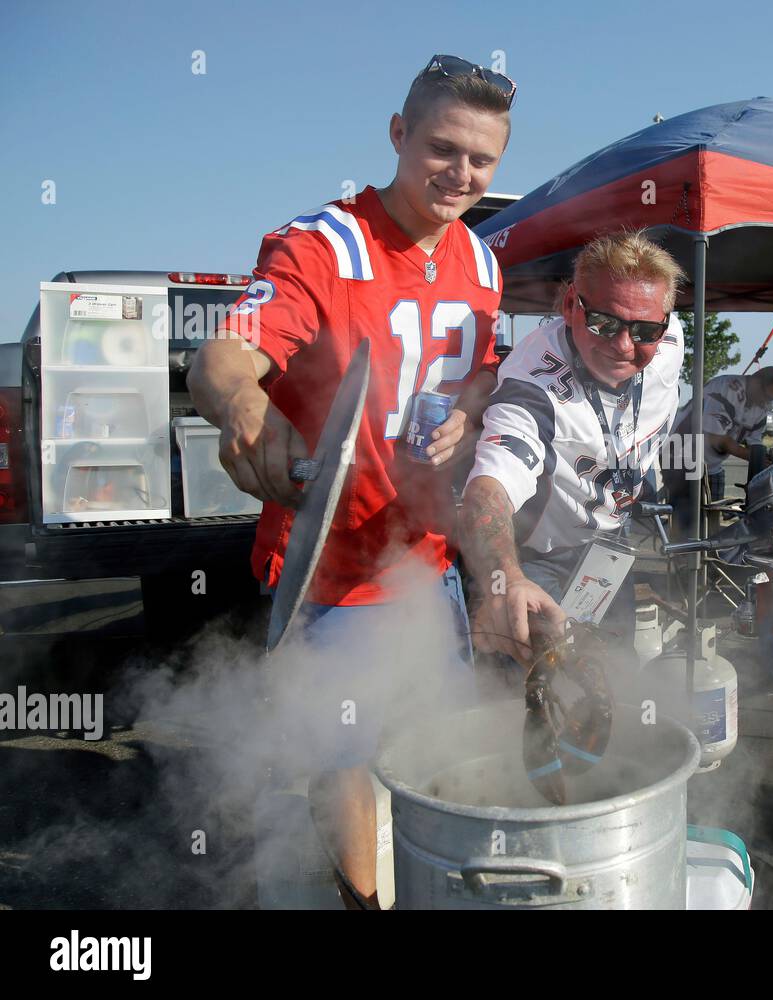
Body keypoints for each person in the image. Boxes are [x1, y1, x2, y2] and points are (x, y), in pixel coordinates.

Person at [188, 54, 515, 907]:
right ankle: (359, 901)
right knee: (349, 760)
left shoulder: (483, 262)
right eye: (443, 148)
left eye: (481, 160)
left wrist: (467, 415)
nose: (461, 174)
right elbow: (222, 356)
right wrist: (243, 407)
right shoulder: (322, 245)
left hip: (427, 564)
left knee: (431, 751)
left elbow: (477, 377)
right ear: (398, 135)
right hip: (328, 574)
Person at [460, 231, 686, 665]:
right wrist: (505, 578)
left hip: (609, 544)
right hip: (536, 558)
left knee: (612, 667)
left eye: (644, 330)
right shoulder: (530, 385)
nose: (623, 346)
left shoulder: (668, 336)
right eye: (603, 322)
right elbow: (487, 492)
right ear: (569, 306)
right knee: (528, 688)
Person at [667, 367, 773, 506]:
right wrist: (755, 457)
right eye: (767, 396)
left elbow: (755, 443)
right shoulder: (726, 388)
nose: (768, 402)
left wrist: (767, 460)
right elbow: (716, 439)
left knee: (713, 517)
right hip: (681, 457)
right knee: (685, 518)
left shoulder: (761, 407)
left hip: (712, 465)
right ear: (755, 382)